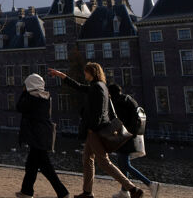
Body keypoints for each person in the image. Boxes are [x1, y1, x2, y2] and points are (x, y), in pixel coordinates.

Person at [48, 64, 141, 198]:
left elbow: (98, 112)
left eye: (86, 72)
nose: (84, 75)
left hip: (95, 131)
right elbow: (79, 87)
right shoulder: (101, 85)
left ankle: (132, 188)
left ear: (92, 73)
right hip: (96, 129)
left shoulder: (96, 88)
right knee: (87, 159)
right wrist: (60, 75)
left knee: (104, 162)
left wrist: (92, 128)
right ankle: (87, 192)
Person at [16, 73, 69, 198]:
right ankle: (26, 191)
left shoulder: (31, 98)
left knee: (45, 167)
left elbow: (19, 107)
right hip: (43, 135)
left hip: (36, 136)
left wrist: (24, 92)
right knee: (32, 165)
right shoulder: (46, 97)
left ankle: (63, 192)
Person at [109, 84, 155, 195]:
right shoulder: (129, 99)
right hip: (132, 135)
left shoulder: (117, 103)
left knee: (125, 164)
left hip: (124, 136)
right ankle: (124, 191)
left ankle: (150, 184)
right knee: (123, 163)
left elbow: (117, 121)